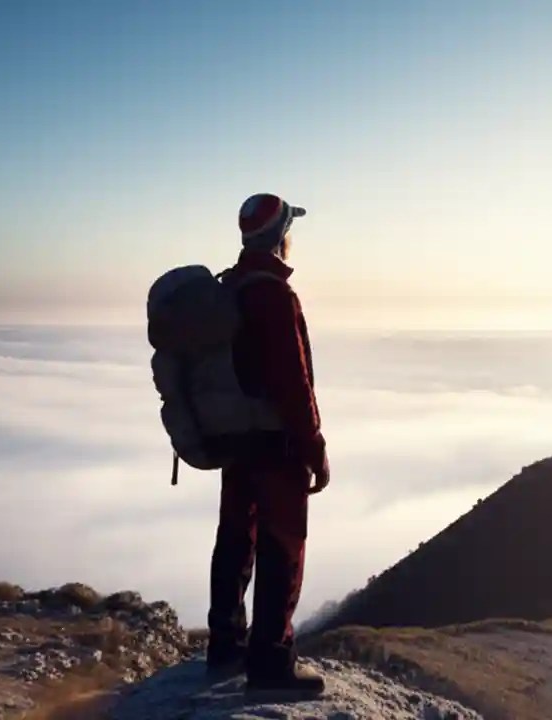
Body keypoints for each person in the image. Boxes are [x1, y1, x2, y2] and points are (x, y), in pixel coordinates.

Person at [206, 193, 330, 694]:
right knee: (283, 545)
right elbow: (293, 381)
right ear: (282, 237)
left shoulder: (229, 287)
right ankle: (271, 665)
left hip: (235, 439)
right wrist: (314, 445)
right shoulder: (275, 295)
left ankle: (225, 645)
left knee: (236, 537)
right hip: (275, 443)